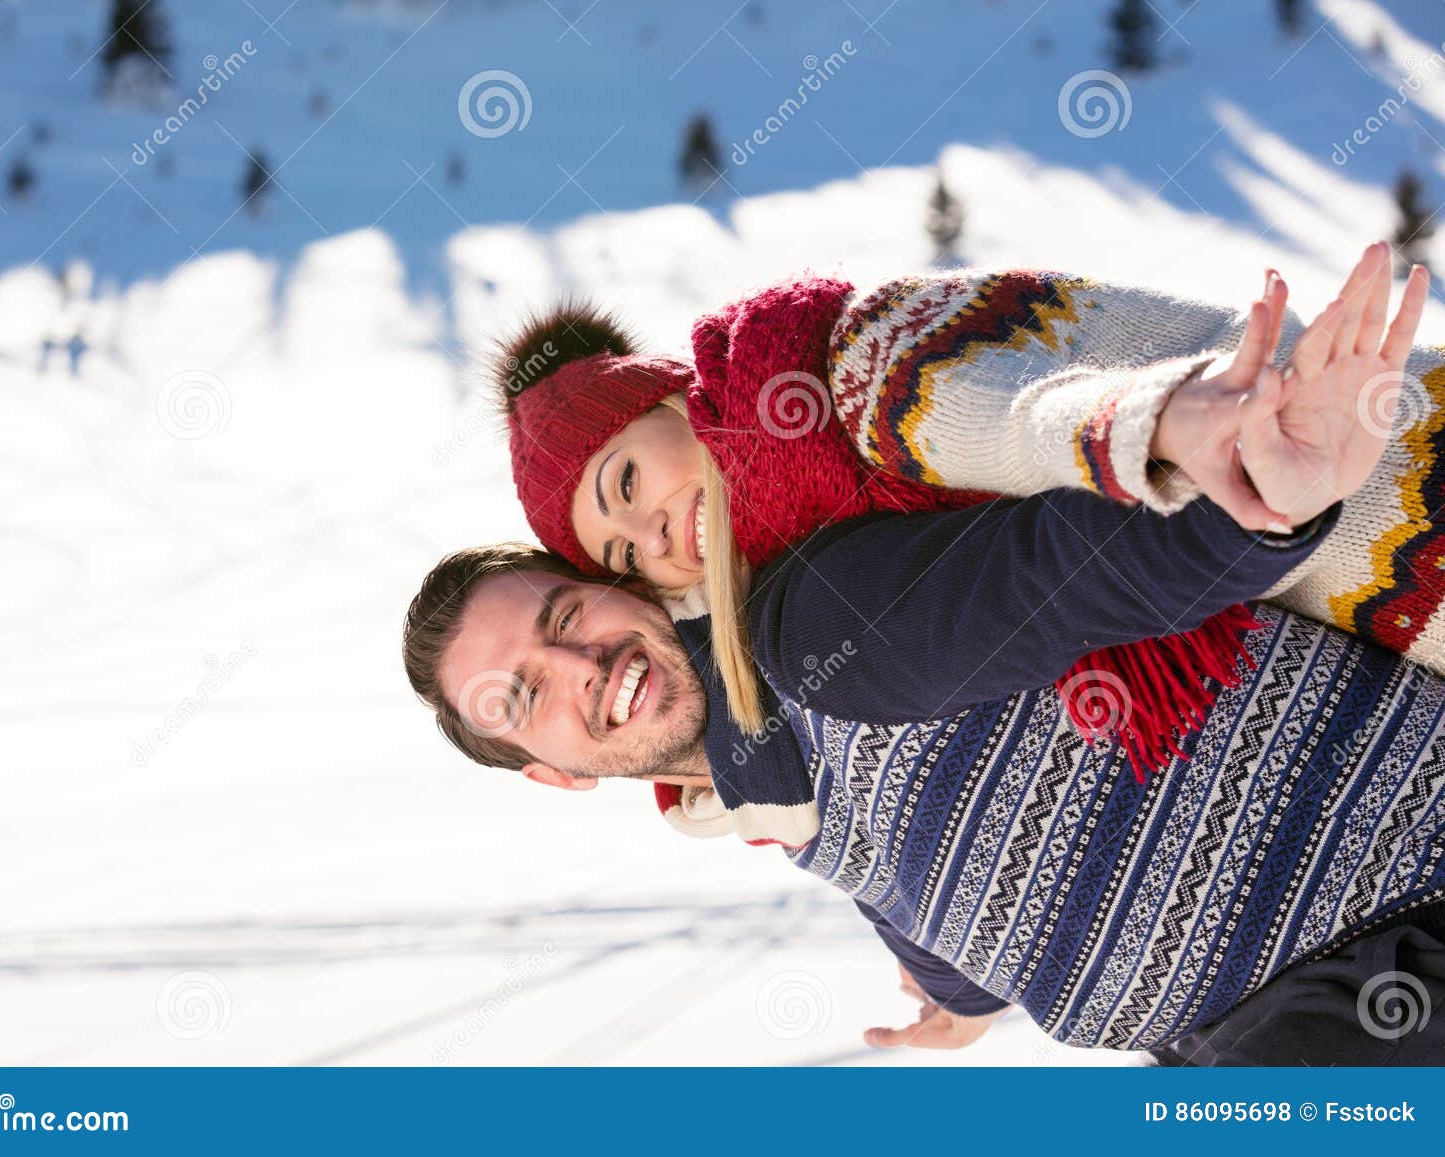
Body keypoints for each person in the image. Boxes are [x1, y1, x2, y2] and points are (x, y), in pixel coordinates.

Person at [402, 256, 1445, 1059]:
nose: (580, 662)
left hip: (1379, 918)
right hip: (1254, 1016)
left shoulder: (809, 628)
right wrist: (959, 987)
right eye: (526, 692)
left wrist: (1247, 500)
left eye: (563, 615)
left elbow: (1051, 572)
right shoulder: (760, 780)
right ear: (550, 772)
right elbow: (878, 851)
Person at [498, 243, 1436, 781]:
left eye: (625, 485)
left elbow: (1019, 416)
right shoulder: (811, 554)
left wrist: (1162, 420)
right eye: (624, 557)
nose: (653, 537)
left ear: (670, 399)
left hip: (1390, 468)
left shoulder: (847, 366)